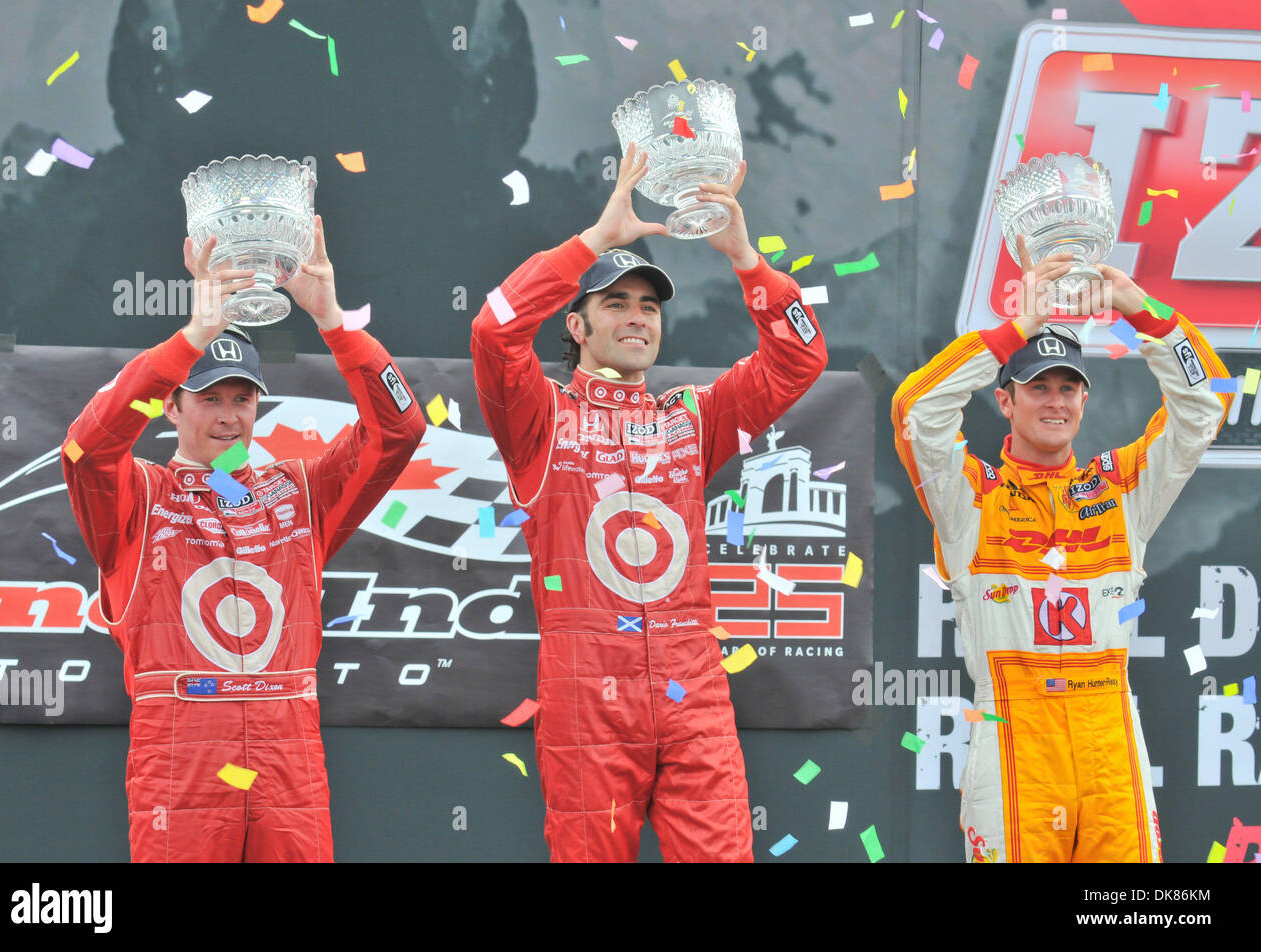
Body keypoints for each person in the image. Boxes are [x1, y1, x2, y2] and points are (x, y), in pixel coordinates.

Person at [471, 145, 828, 862]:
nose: (637, 318)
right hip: (584, 688)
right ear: (577, 327)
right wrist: (597, 242)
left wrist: (746, 259)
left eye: (647, 305)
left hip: (691, 681)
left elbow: (800, 356)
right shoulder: (539, 419)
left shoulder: (691, 416)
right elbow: (493, 330)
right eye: (615, 304)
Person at [62, 217, 426, 862]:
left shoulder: (300, 491)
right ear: (170, 407)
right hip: (181, 752)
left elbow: (399, 429)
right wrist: (192, 336)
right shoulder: (137, 494)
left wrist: (335, 323)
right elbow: (86, 449)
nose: (230, 416)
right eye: (208, 398)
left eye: (243, 398)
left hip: (290, 753)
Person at [891, 237, 1232, 862]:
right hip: (1014, 737)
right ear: (1004, 400)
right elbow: (916, 409)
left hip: (1111, 733)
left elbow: (1207, 403)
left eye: (1068, 388)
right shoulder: (967, 498)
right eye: (1036, 387)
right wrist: (1019, 325)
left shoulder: (1124, 487)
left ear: (1084, 400)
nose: (1055, 401)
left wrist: (1140, 308)